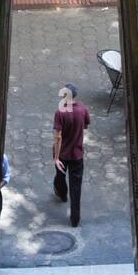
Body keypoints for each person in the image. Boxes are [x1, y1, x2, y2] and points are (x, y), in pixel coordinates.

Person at [52, 84, 90, 228]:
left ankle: (62, 194)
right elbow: (85, 127)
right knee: (76, 186)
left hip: (62, 154)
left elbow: (58, 137)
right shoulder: (83, 110)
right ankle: (75, 219)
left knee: (60, 176)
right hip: (77, 154)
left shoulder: (60, 113)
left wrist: (56, 157)